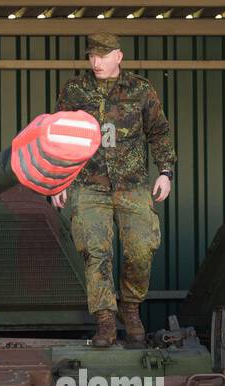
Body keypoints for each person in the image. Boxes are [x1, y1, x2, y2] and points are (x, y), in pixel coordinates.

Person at [55, 33, 176, 348]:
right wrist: (58, 179)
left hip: (132, 185)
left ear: (119, 56)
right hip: (88, 185)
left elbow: (159, 132)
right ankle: (106, 319)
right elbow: (60, 137)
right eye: (92, 56)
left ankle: (131, 308)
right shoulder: (74, 91)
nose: (96, 62)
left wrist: (166, 172)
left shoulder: (141, 90)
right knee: (95, 252)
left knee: (141, 248)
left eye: (103, 55)